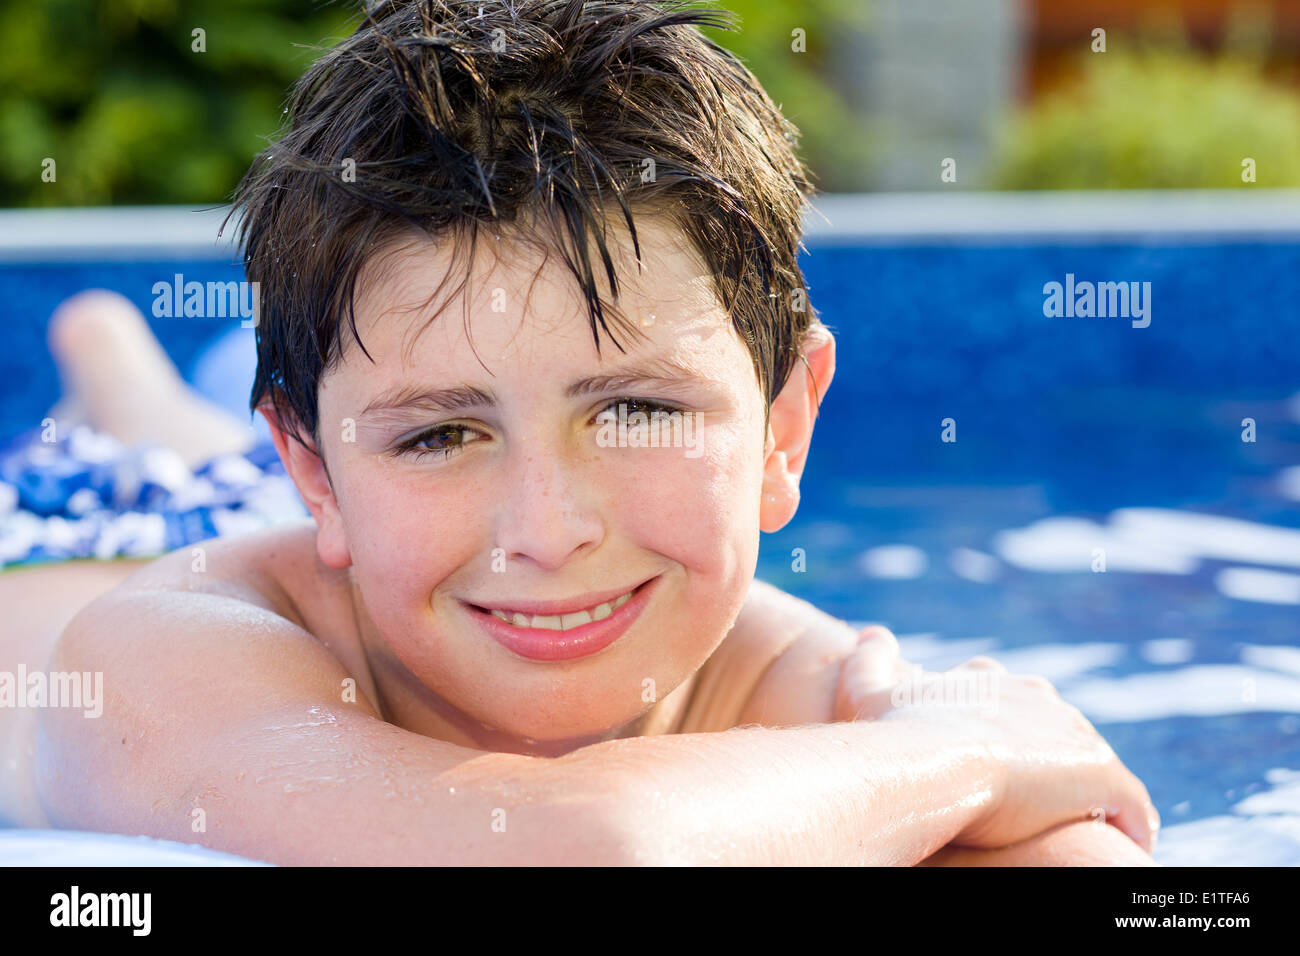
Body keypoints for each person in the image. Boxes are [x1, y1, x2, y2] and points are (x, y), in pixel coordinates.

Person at [1, 0, 1158, 865]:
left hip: (361, 527)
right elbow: (592, 849)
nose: (548, 534)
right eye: (442, 434)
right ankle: (109, 358)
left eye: (638, 410)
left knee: (218, 440)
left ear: (784, 426)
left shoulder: (818, 683)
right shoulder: (149, 660)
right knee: (150, 449)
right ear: (315, 469)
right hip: (83, 543)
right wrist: (971, 756)